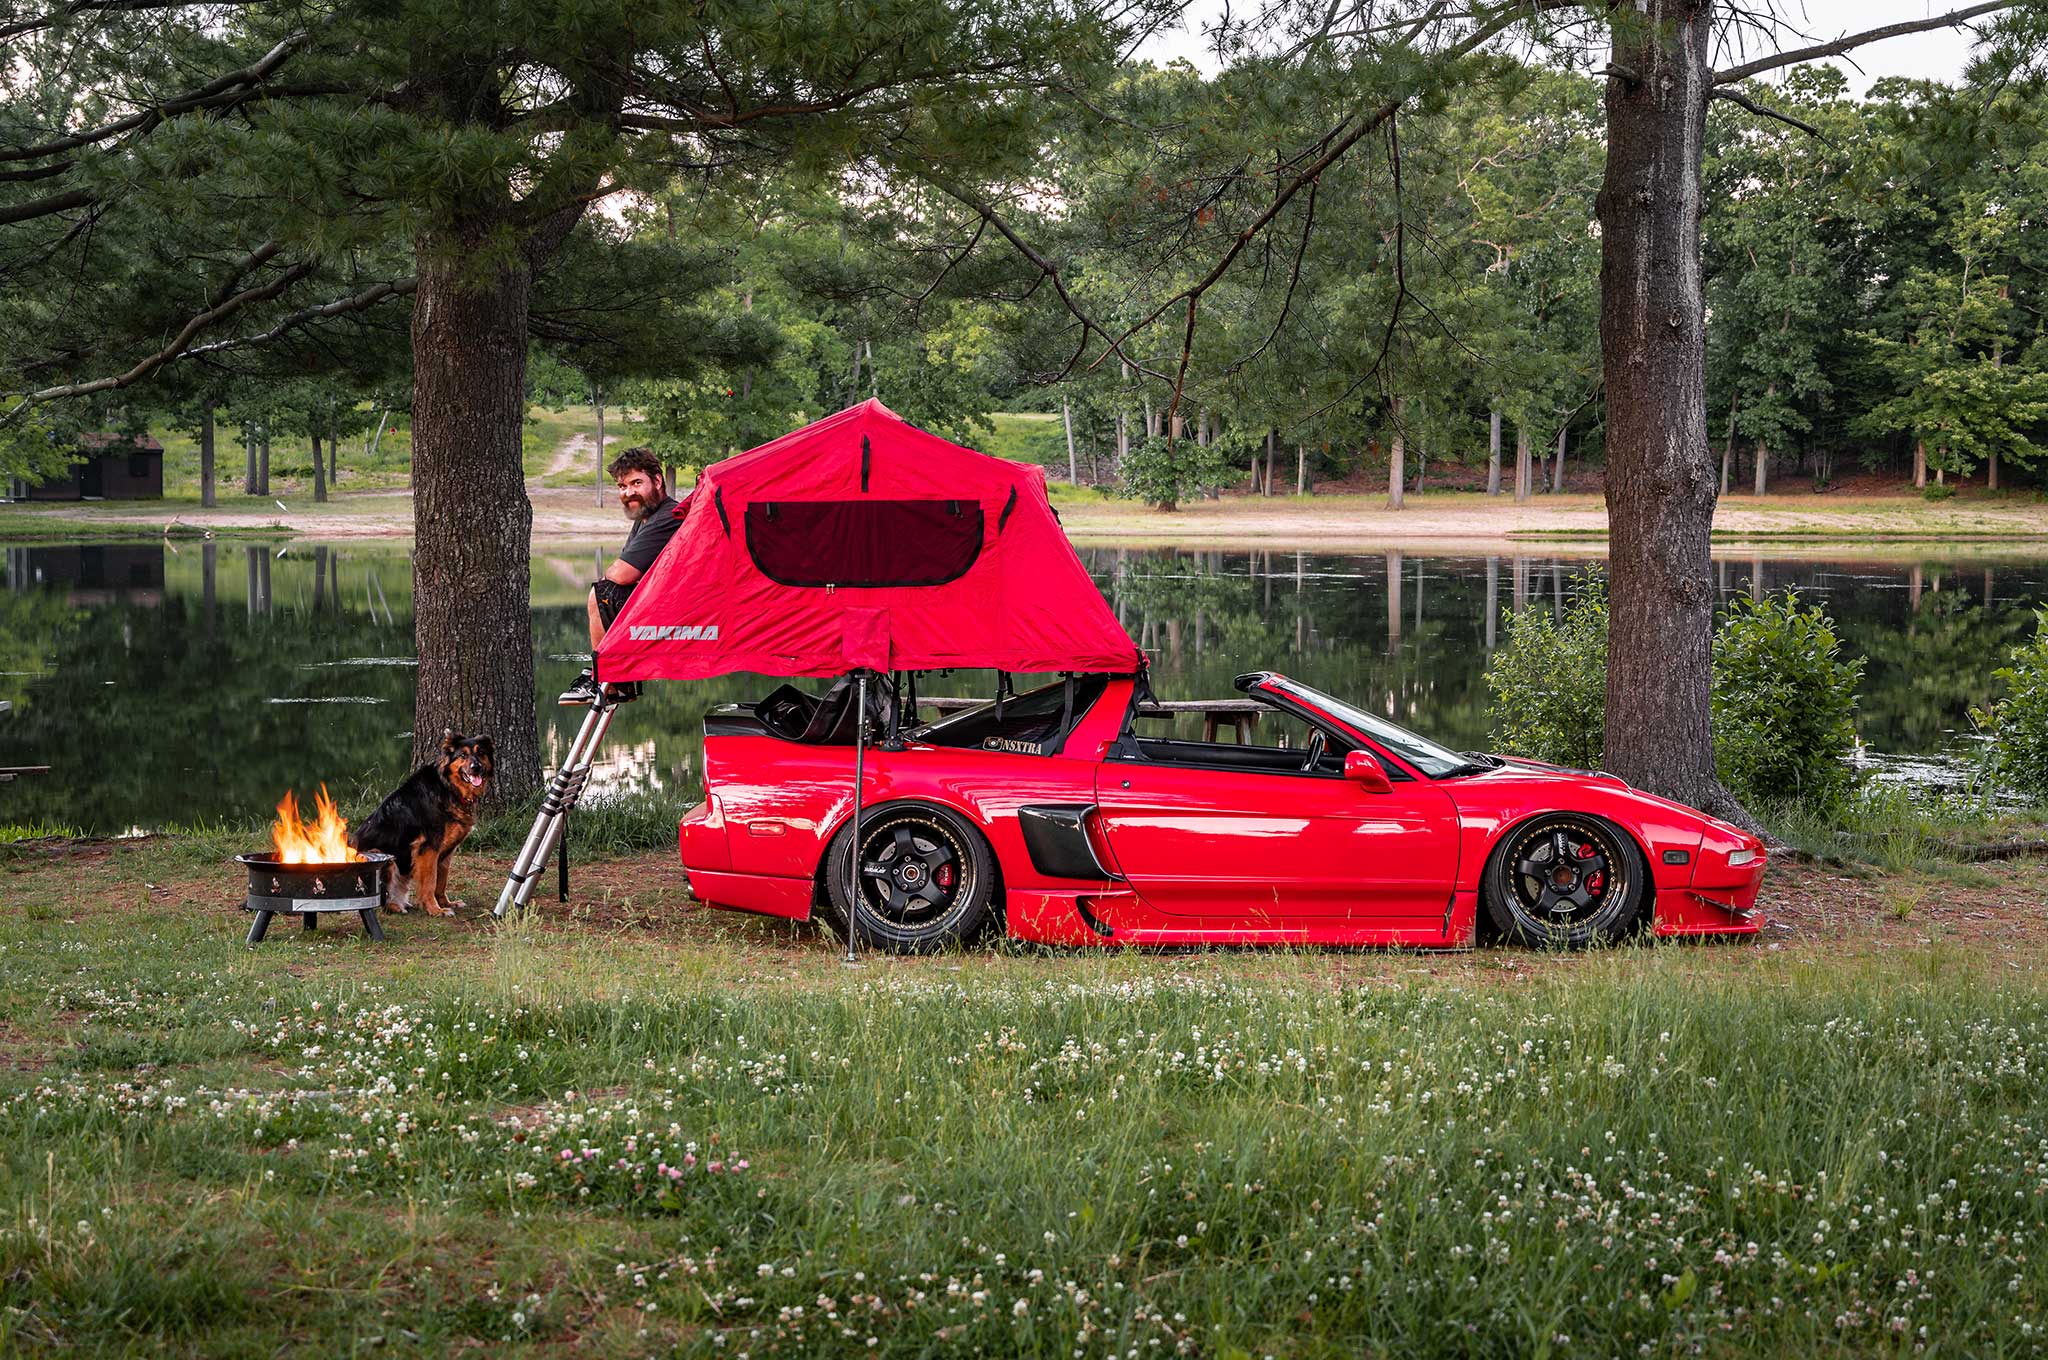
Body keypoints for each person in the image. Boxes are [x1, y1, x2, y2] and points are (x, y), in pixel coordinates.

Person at [558, 446, 684, 704]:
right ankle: (612, 678)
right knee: (606, 591)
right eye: (622, 486)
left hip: (682, 615)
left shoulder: (669, 515)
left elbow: (622, 573)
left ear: (657, 480)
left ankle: (606, 679)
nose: (628, 493)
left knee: (601, 594)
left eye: (636, 483)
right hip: (661, 605)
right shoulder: (646, 517)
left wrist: (615, 575)